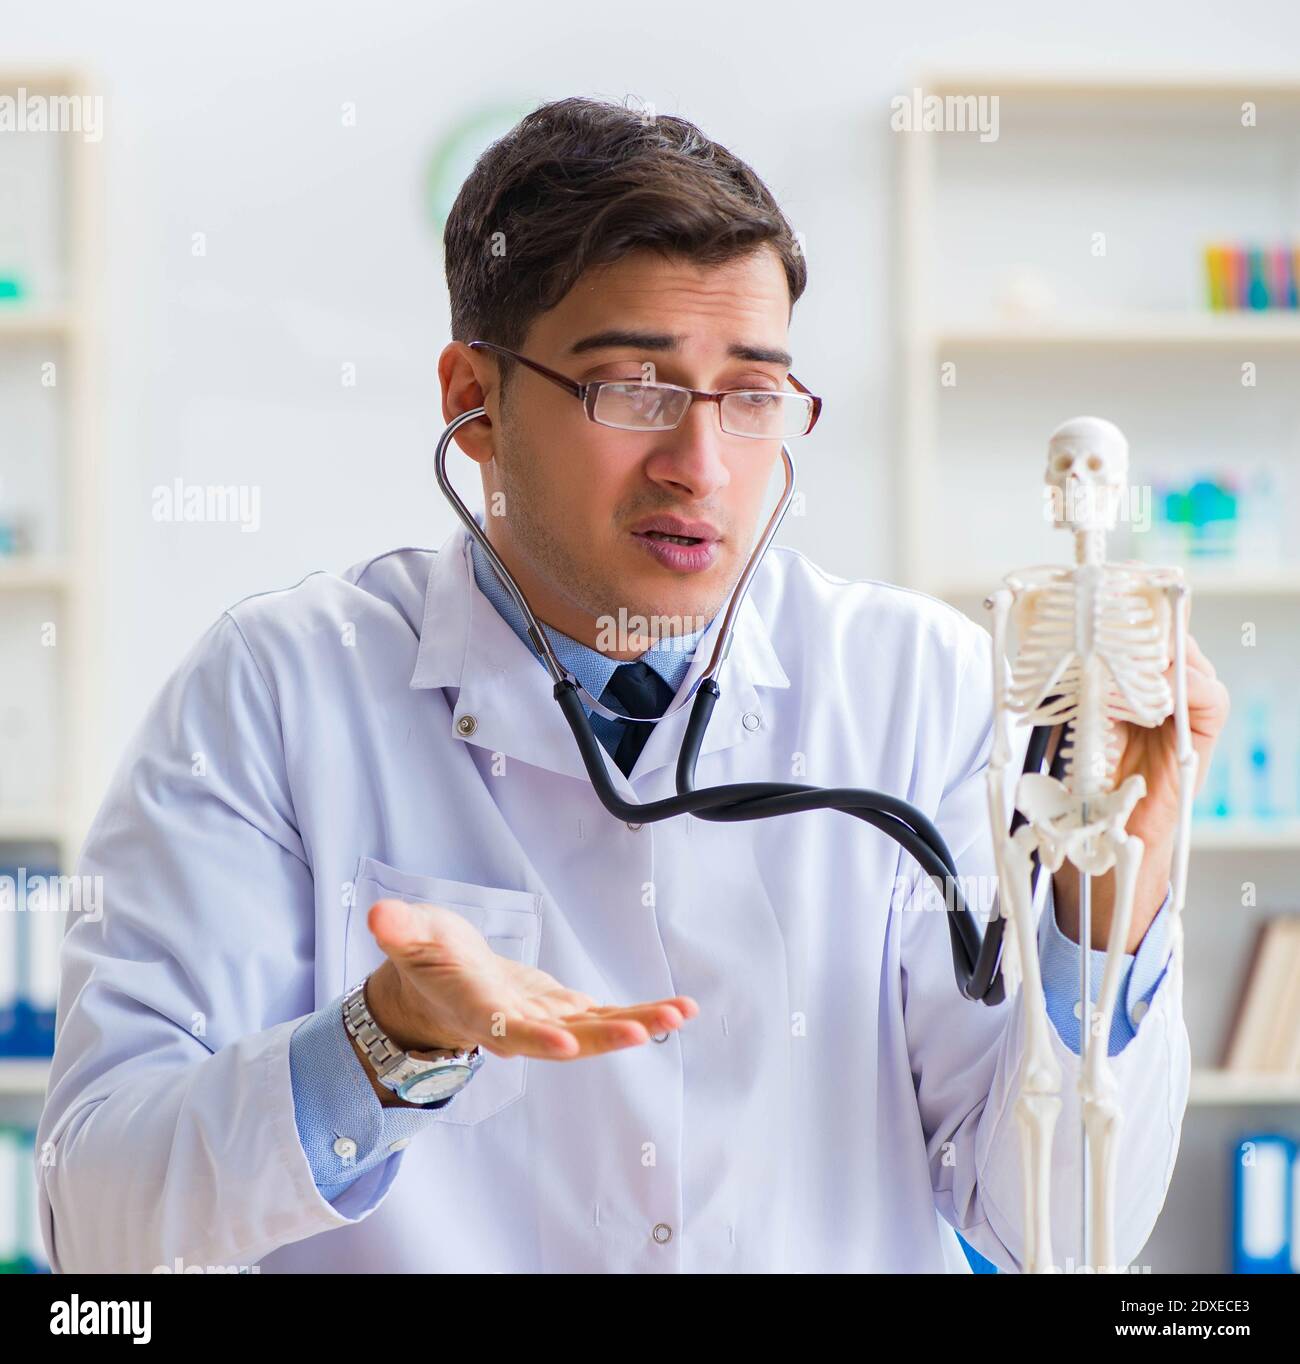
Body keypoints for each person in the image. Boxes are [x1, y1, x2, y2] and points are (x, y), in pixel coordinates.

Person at [36, 96, 1229, 1274]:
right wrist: (384, 1041)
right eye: (634, 387)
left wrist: (1103, 903)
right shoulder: (280, 689)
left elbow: (1068, 1231)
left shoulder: (916, 686)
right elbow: (98, 1222)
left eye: (753, 396)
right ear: (473, 398)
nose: (700, 465)